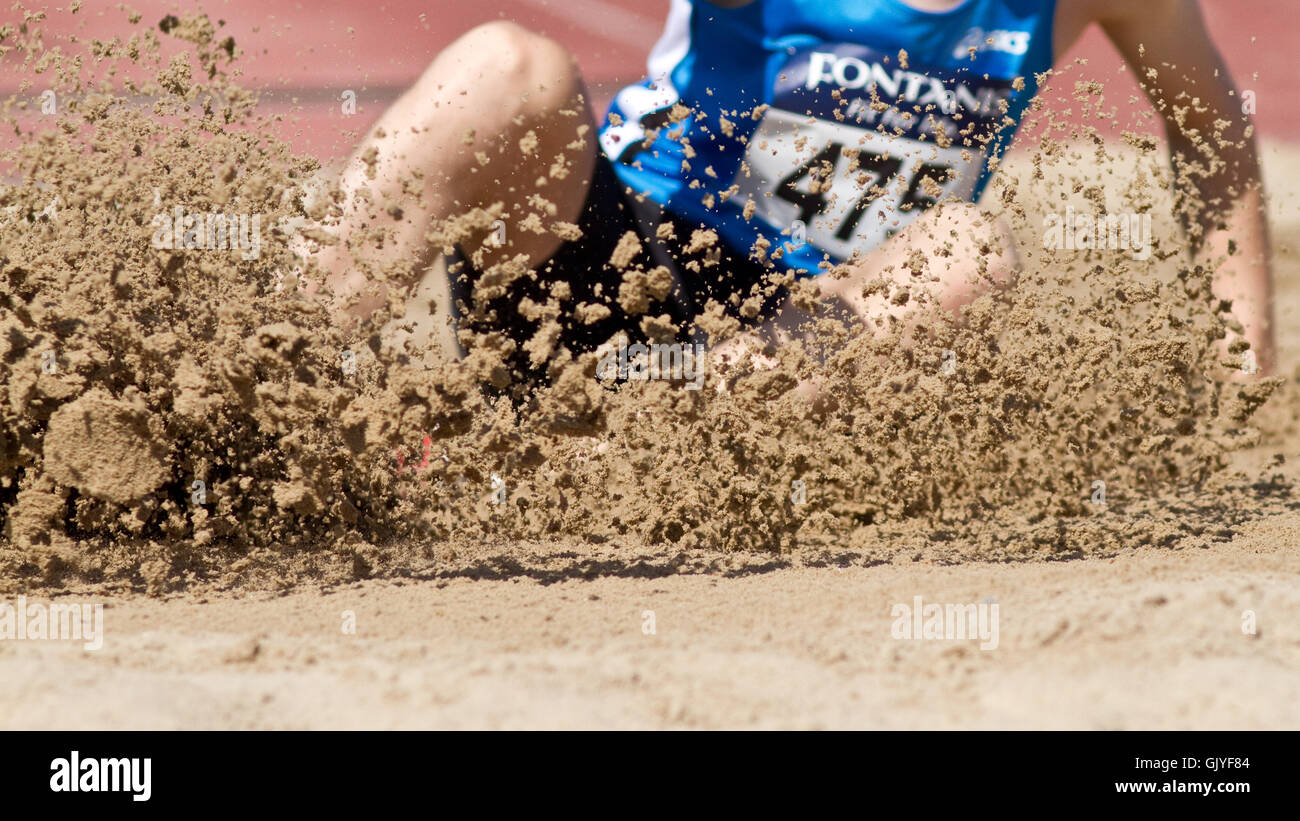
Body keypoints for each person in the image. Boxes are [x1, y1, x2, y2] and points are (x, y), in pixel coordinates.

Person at [308, 0, 1274, 386]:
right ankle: (271, 394)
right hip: (605, 274)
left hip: (794, 348)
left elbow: (1213, 128)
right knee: (504, 66)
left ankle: (616, 446)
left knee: (966, 253)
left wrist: (1247, 361)